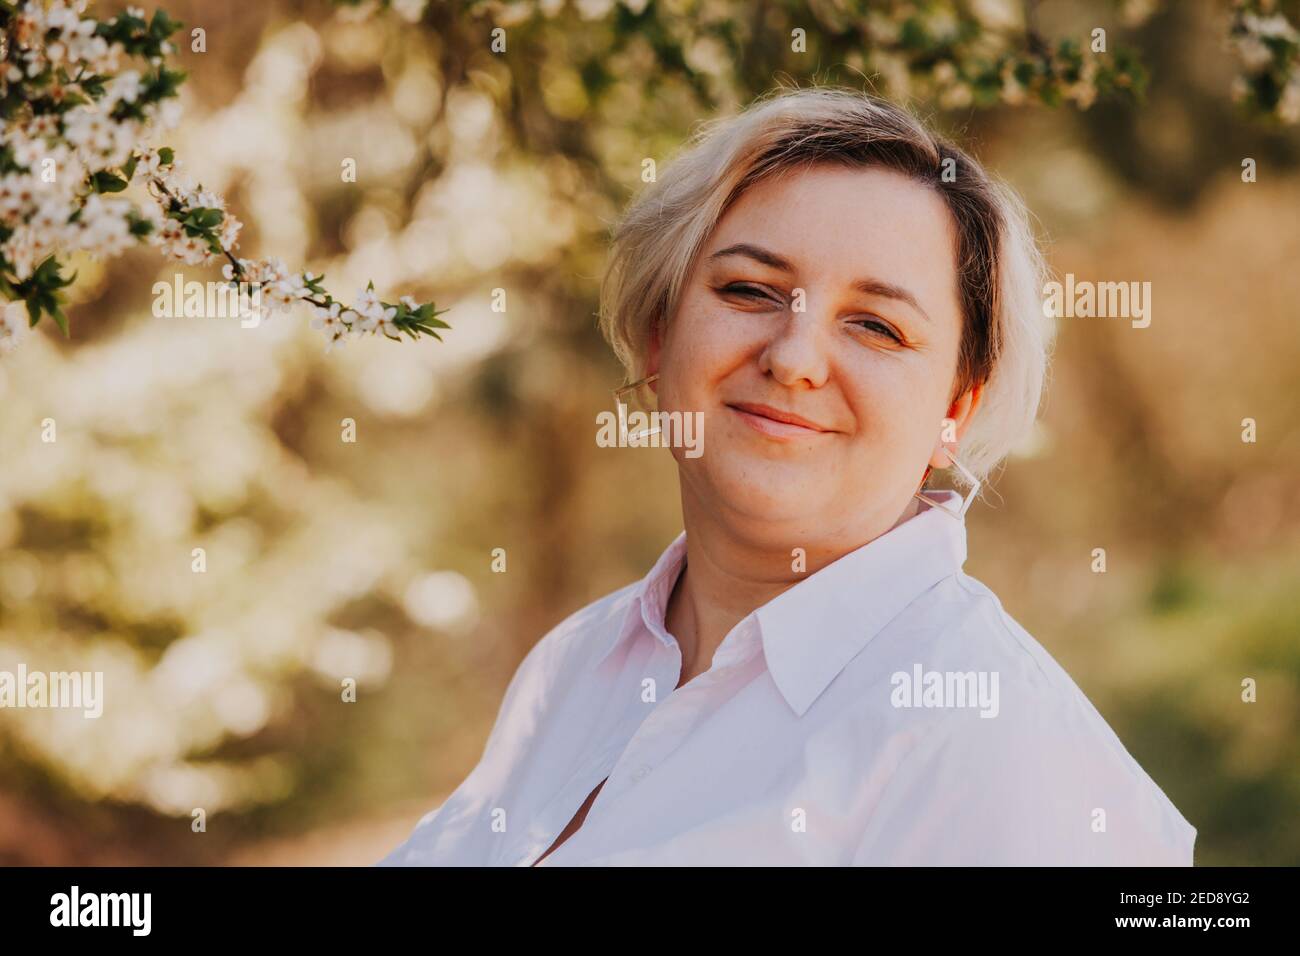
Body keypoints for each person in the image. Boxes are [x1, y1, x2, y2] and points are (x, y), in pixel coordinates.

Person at [379, 86, 1196, 866]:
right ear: (661, 339)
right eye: (749, 289)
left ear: (957, 409)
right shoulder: (576, 664)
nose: (796, 357)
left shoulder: (1000, 746)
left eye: (876, 325)